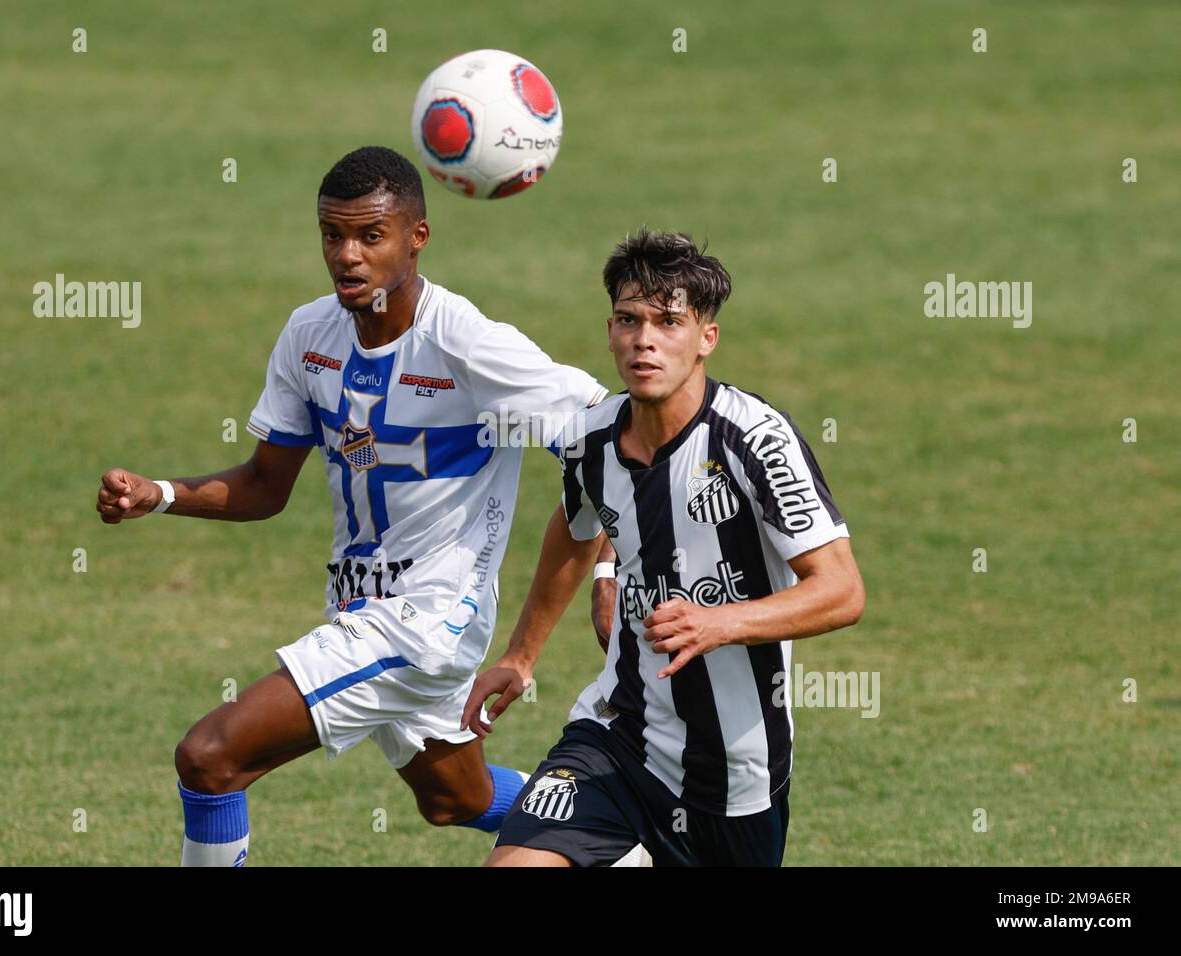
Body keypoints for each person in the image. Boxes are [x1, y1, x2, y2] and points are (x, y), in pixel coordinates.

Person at [94, 146, 607, 865]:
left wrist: (597, 579)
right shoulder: (312, 335)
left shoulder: (467, 344)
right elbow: (266, 486)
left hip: (428, 621)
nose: (348, 255)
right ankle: (624, 830)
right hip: (360, 607)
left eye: (371, 236)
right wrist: (162, 496)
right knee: (453, 799)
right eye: (333, 236)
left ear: (416, 238)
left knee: (210, 757)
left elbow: (608, 435)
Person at [463, 228, 866, 866]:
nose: (644, 339)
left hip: (733, 770)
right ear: (610, 329)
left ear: (707, 337)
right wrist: (521, 653)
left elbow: (842, 590)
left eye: (668, 321)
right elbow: (573, 532)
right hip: (615, 735)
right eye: (628, 319)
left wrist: (720, 623)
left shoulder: (753, 441)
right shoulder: (590, 442)